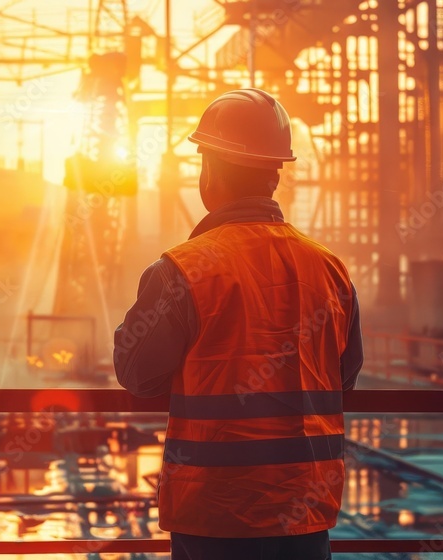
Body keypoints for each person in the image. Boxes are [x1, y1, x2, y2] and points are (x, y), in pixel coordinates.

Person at [113, 88, 363, 560]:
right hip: (304, 509)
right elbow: (344, 376)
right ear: (274, 174)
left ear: (211, 170)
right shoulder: (330, 268)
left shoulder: (182, 270)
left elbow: (137, 375)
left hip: (214, 511)